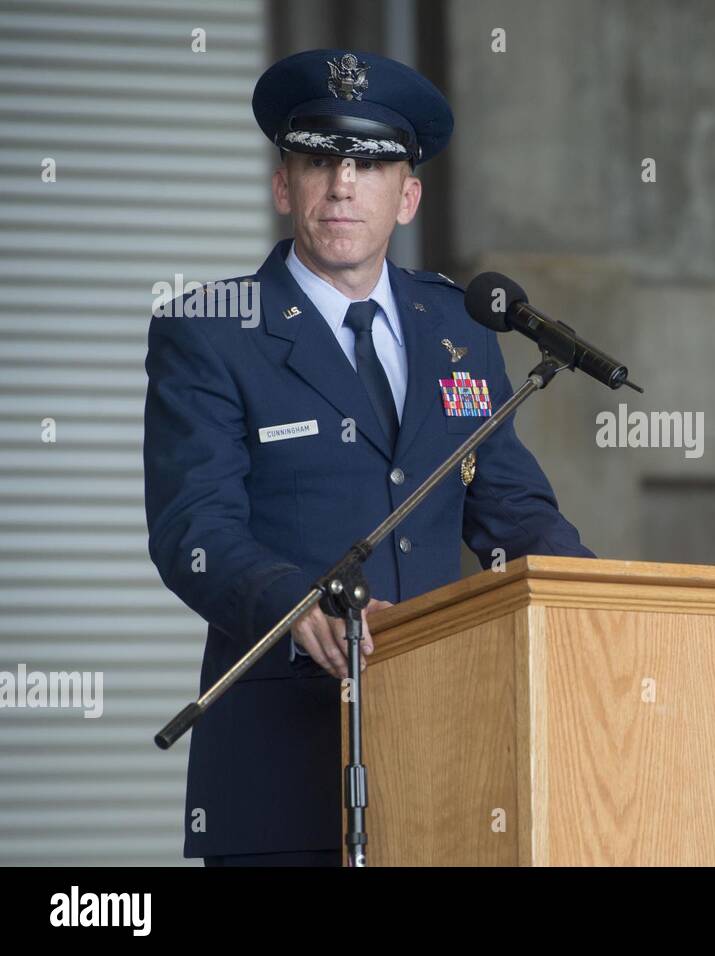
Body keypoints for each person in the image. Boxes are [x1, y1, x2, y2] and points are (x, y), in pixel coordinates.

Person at [143, 49, 594, 866]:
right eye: (319, 161)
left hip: (444, 756)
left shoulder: (460, 331)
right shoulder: (210, 332)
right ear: (285, 186)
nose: (343, 185)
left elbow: (512, 512)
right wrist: (296, 606)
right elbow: (193, 528)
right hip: (281, 764)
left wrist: (602, 606)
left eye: (371, 166)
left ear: (408, 196)